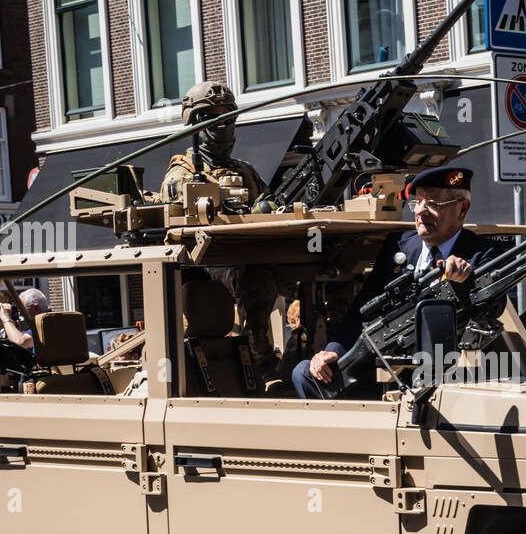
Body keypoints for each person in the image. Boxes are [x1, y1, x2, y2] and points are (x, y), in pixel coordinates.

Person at [293, 165, 494, 397]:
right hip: (383, 365)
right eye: (417, 202)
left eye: (433, 204)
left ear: (463, 209)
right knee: (304, 373)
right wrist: (333, 350)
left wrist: (463, 282)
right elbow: (364, 306)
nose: (421, 211)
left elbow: (492, 307)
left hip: (445, 372)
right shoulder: (398, 245)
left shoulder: (482, 254)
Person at [162, 81, 279, 382]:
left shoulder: (245, 171)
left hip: (255, 250)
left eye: (229, 116)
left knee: (328, 270)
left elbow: (272, 204)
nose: (224, 125)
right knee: (252, 278)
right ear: (196, 123)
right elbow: (192, 225)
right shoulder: (181, 175)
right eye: (215, 116)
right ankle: (260, 365)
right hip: (206, 259)